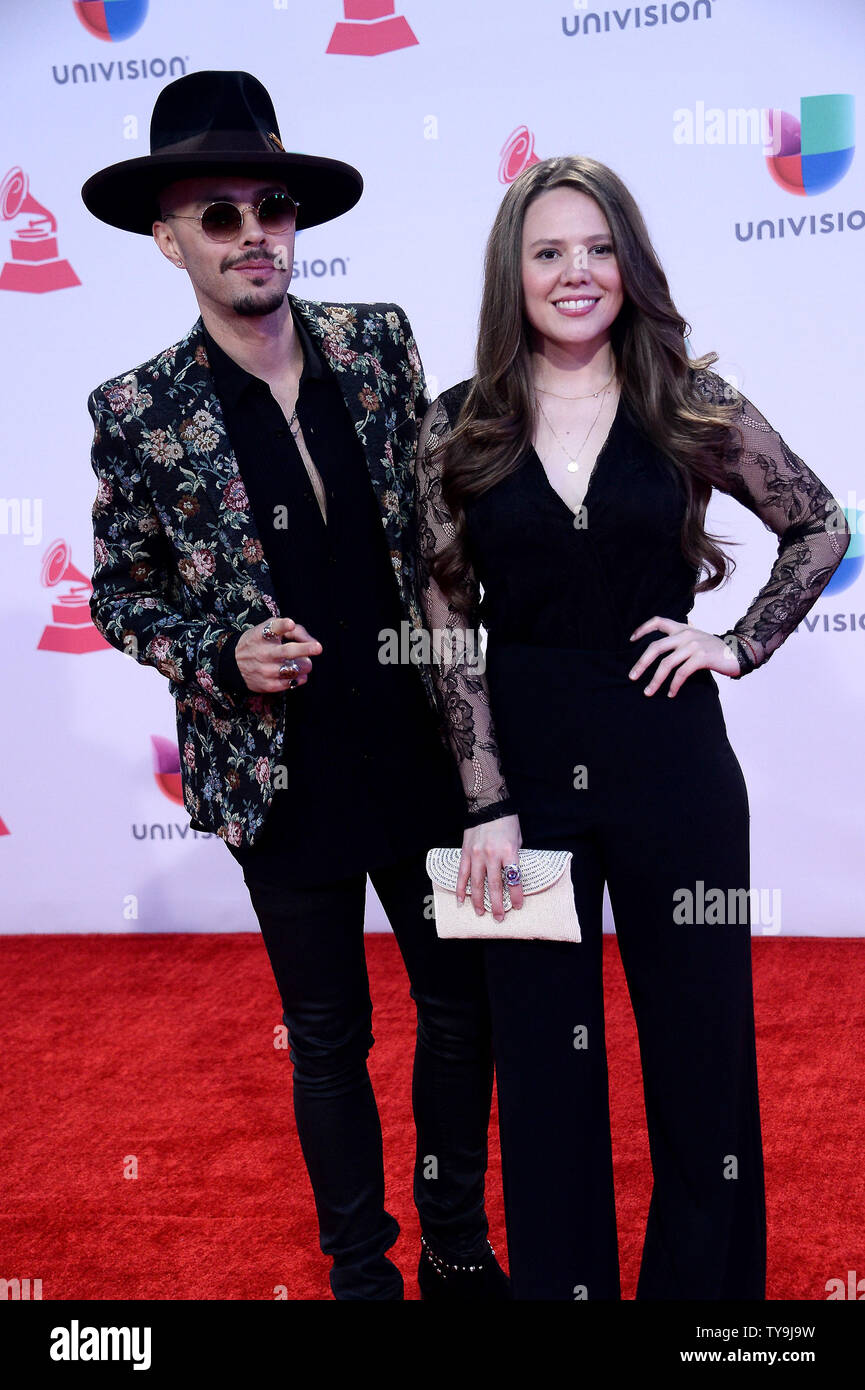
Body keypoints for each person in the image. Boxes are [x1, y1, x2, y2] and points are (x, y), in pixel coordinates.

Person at [81, 69, 511, 1301]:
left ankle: (458, 1239)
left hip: (426, 743)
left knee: (461, 1003)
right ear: (169, 241)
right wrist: (220, 653)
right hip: (278, 769)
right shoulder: (139, 408)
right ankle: (361, 1267)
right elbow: (121, 591)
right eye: (216, 215)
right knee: (327, 1034)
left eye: (270, 204)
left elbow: (440, 527)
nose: (252, 231)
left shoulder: (377, 340)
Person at [414, 154, 850, 1300]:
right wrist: (486, 805)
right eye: (548, 250)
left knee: (703, 1063)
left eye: (598, 247)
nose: (575, 271)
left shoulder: (688, 401)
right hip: (519, 790)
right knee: (545, 1080)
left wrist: (736, 642)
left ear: (630, 264)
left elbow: (819, 522)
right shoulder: (454, 425)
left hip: (672, 764)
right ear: (513, 272)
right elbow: (445, 627)